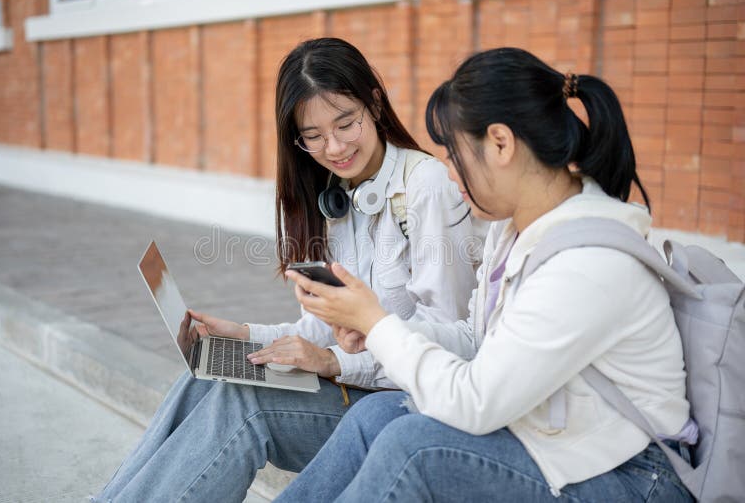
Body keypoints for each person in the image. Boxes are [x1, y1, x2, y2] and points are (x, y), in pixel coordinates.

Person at [278, 47, 694, 502]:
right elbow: (474, 341)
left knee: (415, 449)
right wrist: (376, 329)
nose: (449, 174)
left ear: (500, 143)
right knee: (376, 416)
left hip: (633, 475)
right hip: (561, 443)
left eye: (454, 156)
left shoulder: (588, 261)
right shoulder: (511, 232)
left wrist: (377, 325)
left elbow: (473, 403)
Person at [95, 37, 482, 502]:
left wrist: (336, 362)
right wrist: (244, 335)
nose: (334, 147)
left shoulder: (426, 188)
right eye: (313, 136)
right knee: (206, 374)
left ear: (374, 105)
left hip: (400, 406)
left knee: (242, 400)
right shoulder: (337, 195)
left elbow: (451, 342)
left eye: (346, 123)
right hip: (354, 384)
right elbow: (321, 328)